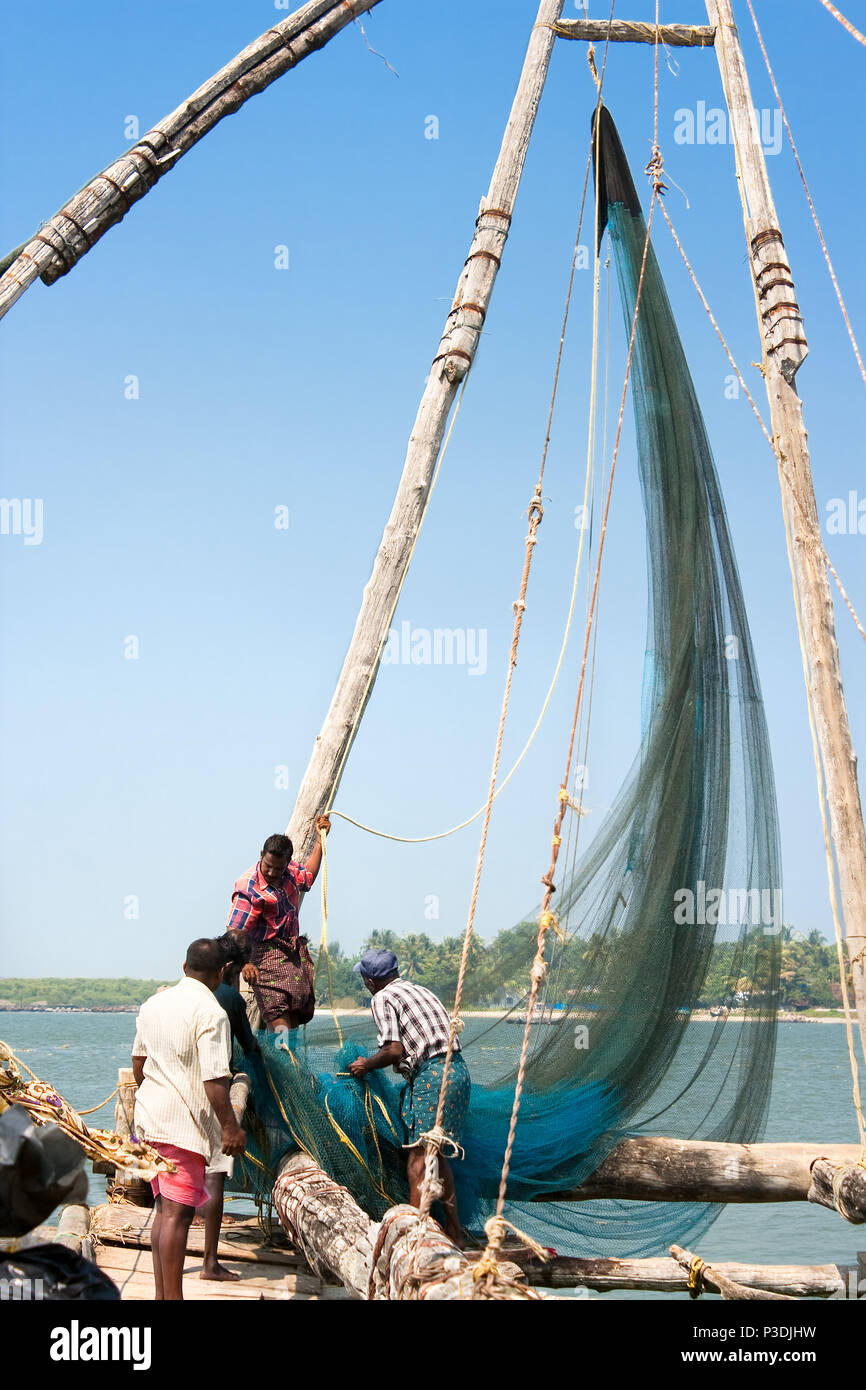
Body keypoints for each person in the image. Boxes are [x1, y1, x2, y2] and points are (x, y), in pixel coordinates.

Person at [131, 939, 246, 1300]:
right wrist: (230, 1127)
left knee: (164, 1211)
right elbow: (215, 1079)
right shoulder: (210, 1012)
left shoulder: (154, 1004)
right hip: (181, 1129)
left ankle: (162, 1295)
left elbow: (139, 1063)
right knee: (177, 1217)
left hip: (149, 1123)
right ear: (222, 973)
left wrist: (155, 1095)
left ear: (184, 967)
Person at [347, 948, 470, 1246]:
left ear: (370, 980)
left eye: (364, 978)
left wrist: (366, 1064)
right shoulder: (419, 990)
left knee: (417, 1159)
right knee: (436, 1156)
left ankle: (416, 1238)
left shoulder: (382, 998)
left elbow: (393, 1050)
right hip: (459, 1072)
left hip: (432, 1076)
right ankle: (454, 1232)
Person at [226, 819, 330, 1050]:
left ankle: (288, 1054)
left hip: (291, 951)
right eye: (267, 866)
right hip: (262, 954)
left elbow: (309, 876)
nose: (271, 872)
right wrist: (244, 963)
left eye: (278, 868)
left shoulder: (290, 872)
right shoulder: (249, 887)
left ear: (287, 863)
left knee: (294, 1008)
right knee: (276, 1010)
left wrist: (321, 841)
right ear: (261, 855)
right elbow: (234, 931)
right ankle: (284, 1059)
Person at [195, 932, 261, 1284]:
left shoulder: (180, 996)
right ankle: (209, 1262)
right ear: (231, 966)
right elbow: (248, 1043)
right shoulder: (230, 997)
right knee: (216, 1170)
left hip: (180, 1091)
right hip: (216, 1089)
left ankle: (188, 1216)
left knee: (183, 1163)